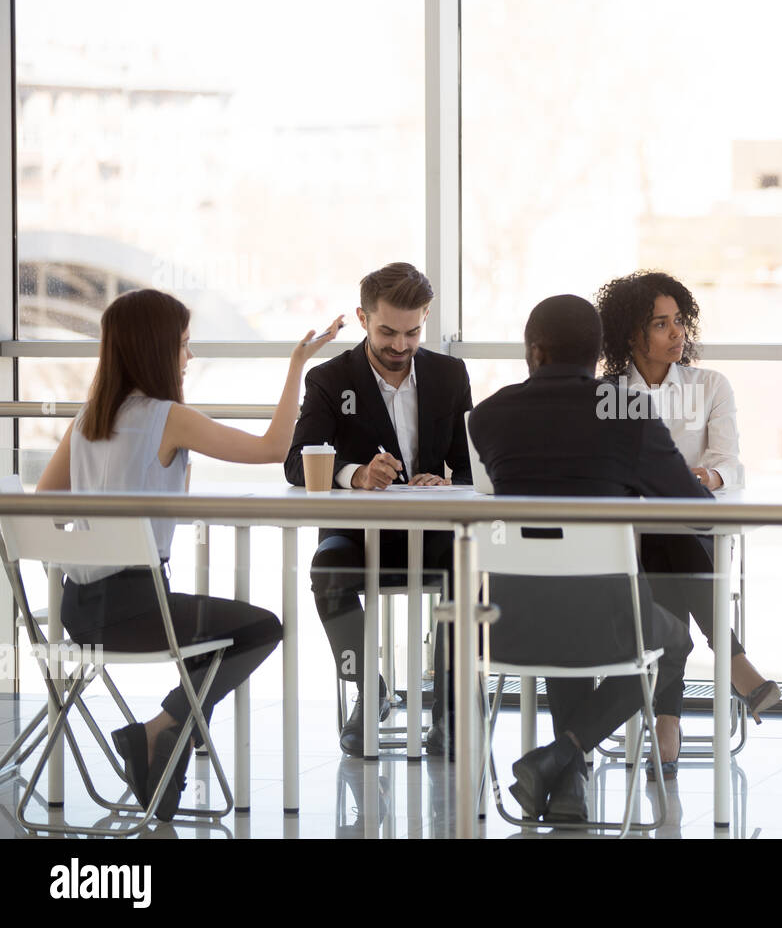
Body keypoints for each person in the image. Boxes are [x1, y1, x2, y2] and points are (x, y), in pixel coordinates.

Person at [36, 288, 342, 820]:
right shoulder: (167, 417)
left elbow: (44, 511)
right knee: (259, 628)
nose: (189, 356)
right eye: (183, 344)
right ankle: (159, 730)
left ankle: (162, 748)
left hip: (78, 613)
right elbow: (273, 449)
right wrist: (297, 364)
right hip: (138, 611)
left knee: (207, 637)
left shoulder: (87, 420)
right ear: (157, 351)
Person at [468, 294, 699, 822]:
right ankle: (561, 754)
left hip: (506, 623)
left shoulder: (488, 417)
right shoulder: (626, 411)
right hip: (607, 625)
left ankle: (567, 783)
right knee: (673, 639)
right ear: (598, 356)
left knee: (561, 613)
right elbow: (694, 509)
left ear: (535, 351)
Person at [284, 262, 473, 758]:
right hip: (355, 532)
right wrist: (354, 475)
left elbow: (471, 466)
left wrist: (448, 481)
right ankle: (371, 691)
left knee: (467, 566)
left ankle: (449, 709)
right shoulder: (329, 378)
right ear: (363, 319)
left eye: (412, 332)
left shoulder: (450, 375)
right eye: (387, 331)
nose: (399, 345)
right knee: (328, 571)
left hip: (430, 530)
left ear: (426, 318)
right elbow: (294, 463)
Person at [595, 271, 778, 779]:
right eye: (661, 324)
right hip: (631, 544)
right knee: (660, 531)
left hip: (697, 535)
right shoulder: (604, 395)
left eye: (679, 321)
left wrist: (703, 475)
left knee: (671, 528)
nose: (677, 333)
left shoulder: (710, 385)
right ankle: (734, 666)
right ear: (631, 335)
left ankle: (667, 723)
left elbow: (730, 464)